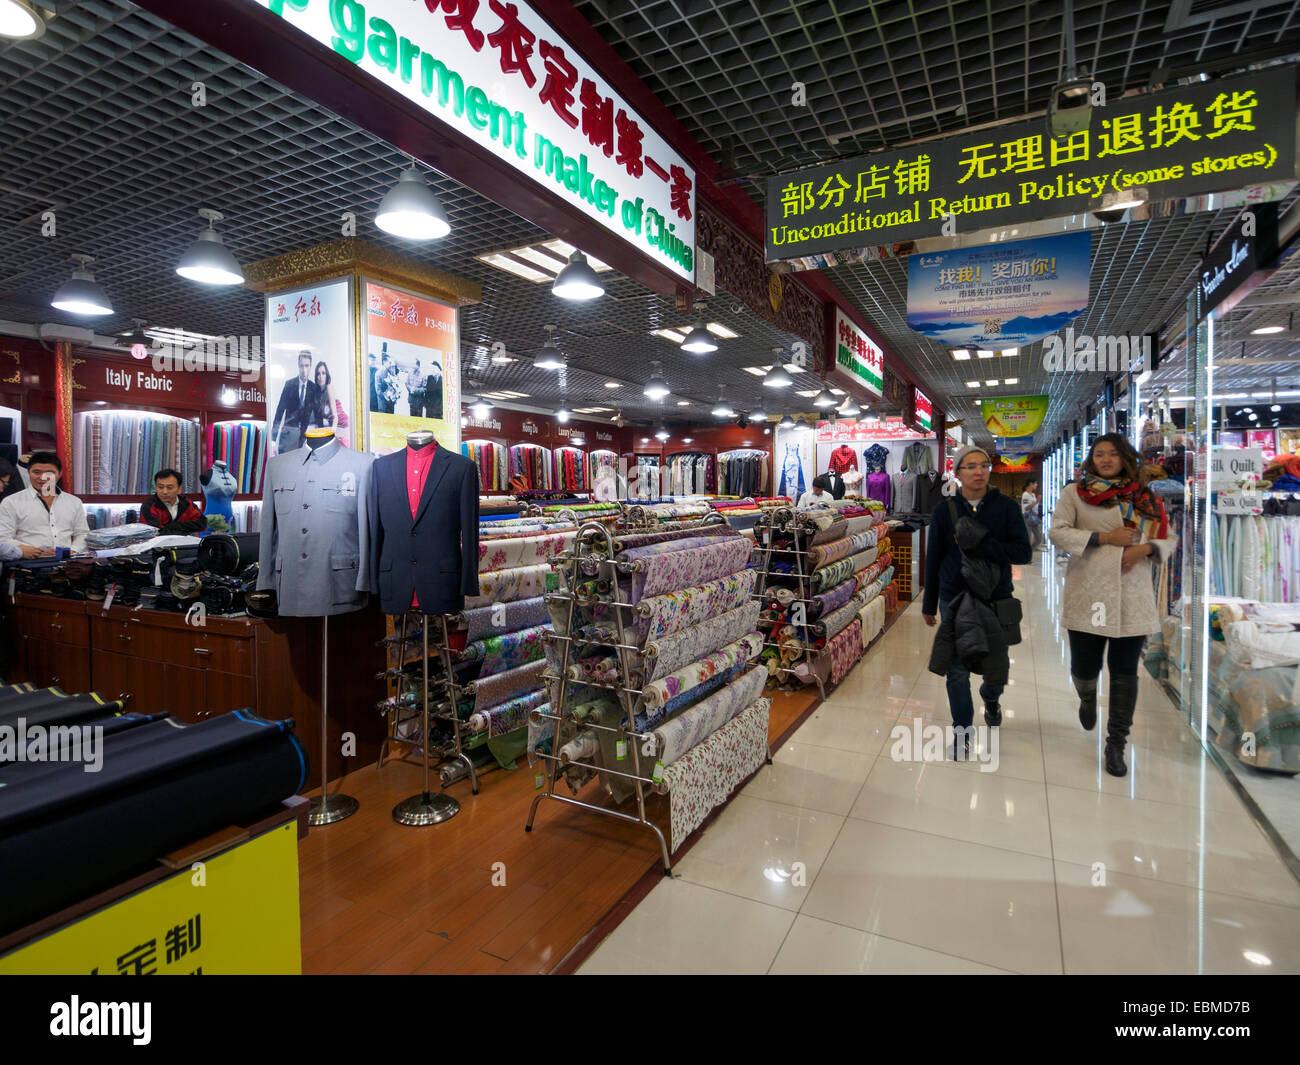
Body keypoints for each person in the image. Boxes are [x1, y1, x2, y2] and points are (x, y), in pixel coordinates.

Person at [1048, 433, 1177, 777]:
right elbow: (1057, 531)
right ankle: (1087, 695)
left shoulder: (1144, 496)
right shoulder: (1075, 493)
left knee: (1124, 673)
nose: (1105, 459)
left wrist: (1144, 549)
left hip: (1131, 595)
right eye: (1099, 454)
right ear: (1091, 459)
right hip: (1089, 592)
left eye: (1112, 454)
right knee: (1084, 666)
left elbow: (1168, 539)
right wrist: (1104, 538)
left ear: (1124, 458)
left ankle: (1115, 743)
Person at [922, 444, 1032, 748]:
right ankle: (962, 733)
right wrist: (929, 603)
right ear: (956, 474)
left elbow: (1023, 553)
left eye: (983, 464)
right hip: (954, 598)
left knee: (996, 668)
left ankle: (990, 698)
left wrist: (981, 543)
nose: (978, 471)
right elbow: (934, 560)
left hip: (995, 596)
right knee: (956, 669)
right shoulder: (944, 511)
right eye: (969, 466)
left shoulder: (1007, 508)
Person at [0, 450, 89, 556]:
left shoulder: (74, 502)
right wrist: (35, 551)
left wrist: (73, 550)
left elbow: (83, 533)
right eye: (36, 472)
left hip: (67, 564)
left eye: (49, 473)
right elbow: (4, 538)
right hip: (29, 565)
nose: (42, 477)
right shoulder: (11, 502)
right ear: (29, 472)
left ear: (59, 474)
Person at [271, 350, 318, 454]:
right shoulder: (289, 385)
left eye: (307, 366)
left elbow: (316, 418)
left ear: (311, 366)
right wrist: (273, 440)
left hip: (307, 441)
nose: (304, 370)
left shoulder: (314, 388)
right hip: (288, 439)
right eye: (301, 366)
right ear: (298, 365)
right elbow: (279, 412)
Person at [140, 468, 206, 536]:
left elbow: (202, 523)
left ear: (179, 489)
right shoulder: (149, 506)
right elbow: (154, 532)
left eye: (169, 487)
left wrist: (175, 526)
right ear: (156, 488)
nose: (164, 492)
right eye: (160, 487)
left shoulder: (187, 503)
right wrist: (185, 528)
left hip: (184, 544)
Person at [311, 361, 349, 446]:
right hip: (334, 426)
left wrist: (332, 434)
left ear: (327, 375)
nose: (321, 377)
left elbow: (335, 416)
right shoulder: (319, 393)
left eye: (323, 373)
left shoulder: (329, 388)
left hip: (341, 425)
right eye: (318, 374)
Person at [1021, 477, 1043, 549]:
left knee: (1038, 538)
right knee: (1028, 537)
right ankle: (1027, 556)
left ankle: (1030, 551)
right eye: (1035, 483)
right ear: (1031, 484)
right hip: (1027, 517)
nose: (1036, 485)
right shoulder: (1025, 494)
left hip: (1034, 517)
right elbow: (1026, 507)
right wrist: (1037, 501)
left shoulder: (1033, 495)